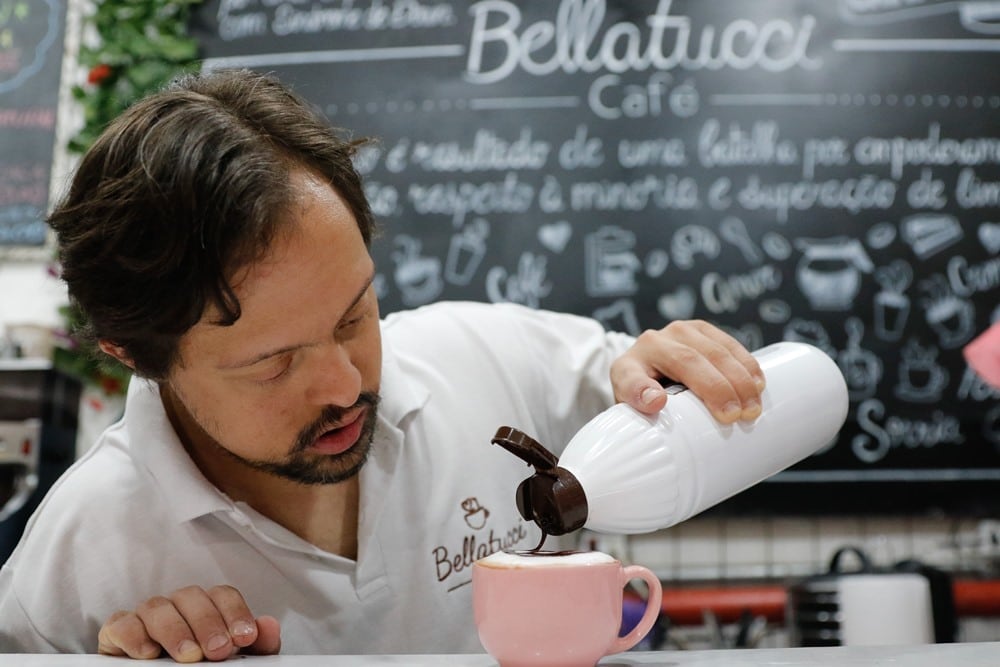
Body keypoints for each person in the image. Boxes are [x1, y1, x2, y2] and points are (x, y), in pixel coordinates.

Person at [0, 69, 764, 660]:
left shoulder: (487, 359)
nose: (346, 385)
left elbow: (670, 400)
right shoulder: (80, 561)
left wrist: (678, 376)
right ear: (136, 354)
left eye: (354, 315)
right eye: (273, 363)